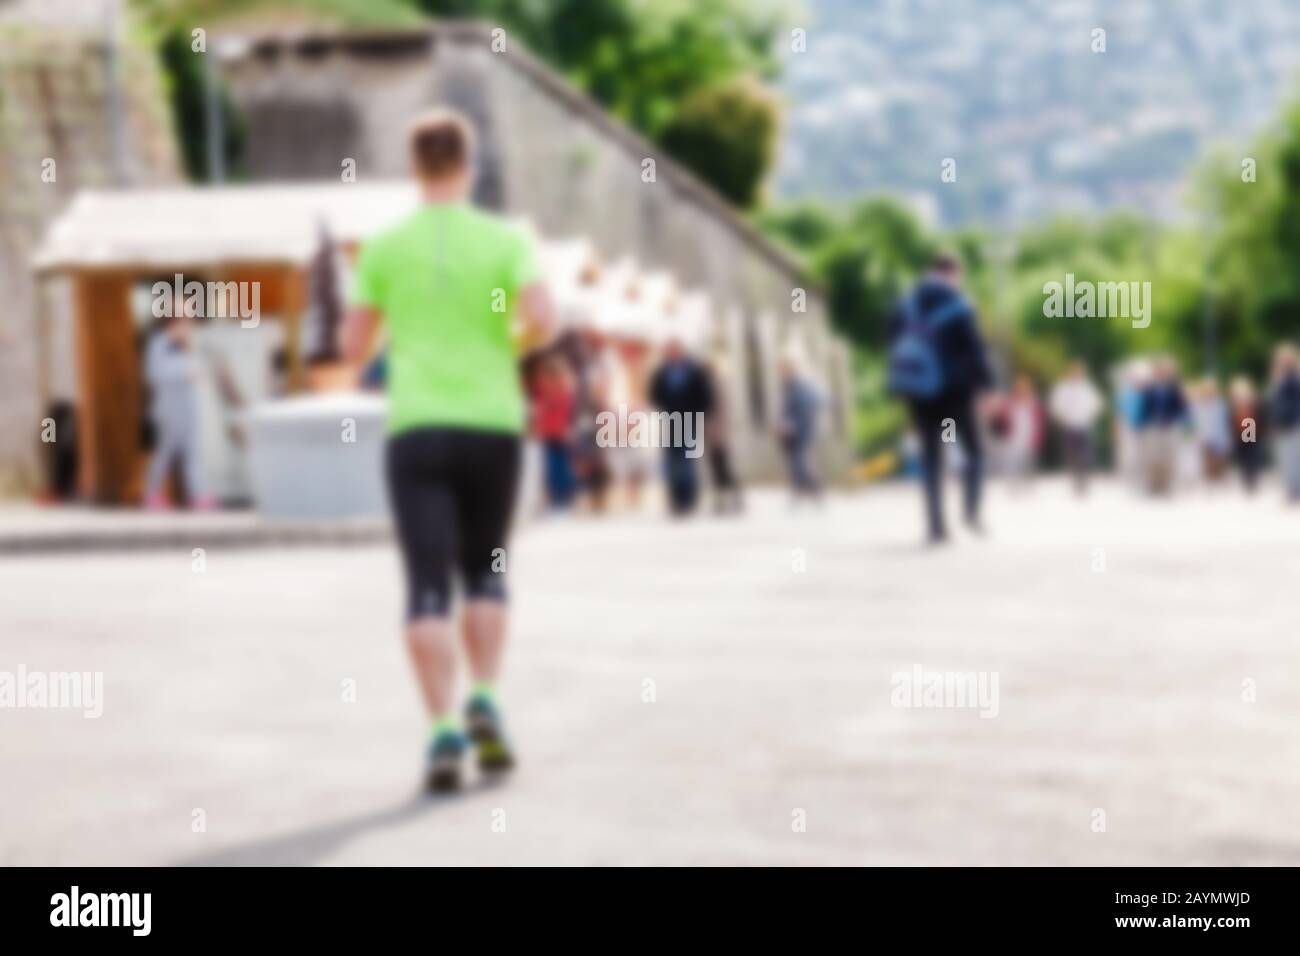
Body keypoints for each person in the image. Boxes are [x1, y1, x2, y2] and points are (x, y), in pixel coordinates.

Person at [342, 108, 554, 792]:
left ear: (415, 168)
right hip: (492, 427)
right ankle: (485, 696)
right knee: (488, 568)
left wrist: (400, 337)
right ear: (469, 166)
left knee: (427, 587)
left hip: (419, 431)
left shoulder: (382, 248)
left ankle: (442, 733)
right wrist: (506, 343)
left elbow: (350, 349)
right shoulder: (507, 239)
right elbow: (544, 317)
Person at [887, 252, 994, 543]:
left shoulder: (907, 303)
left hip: (919, 392)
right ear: (954, 273)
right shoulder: (958, 305)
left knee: (931, 456)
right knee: (974, 452)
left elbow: (890, 338)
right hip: (955, 394)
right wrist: (987, 387)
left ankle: (936, 526)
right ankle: (970, 512)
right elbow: (975, 350)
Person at [143, 312, 215, 511]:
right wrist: (184, 373)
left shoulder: (186, 347)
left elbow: (198, 370)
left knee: (194, 453)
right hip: (168, 409)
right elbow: (155, 375)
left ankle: (199, 495)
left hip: (188, 407)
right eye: (182, 323)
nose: (186, 328)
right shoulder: (159, 345)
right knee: (165, 453)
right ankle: (152, 493)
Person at [649, 337, 713, 516]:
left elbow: (704, 396)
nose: (673, 354)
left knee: (687, 462)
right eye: (670, 351)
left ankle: (688, 499)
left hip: (690, 421)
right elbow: (654, 394)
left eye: (675, 350)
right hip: (670, 421)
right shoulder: (662, 372)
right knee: (671, 462)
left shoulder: (694, 371)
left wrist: (698, 413)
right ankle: (675, 500)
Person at [530, 354, 578, 511]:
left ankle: (562, 497)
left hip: (556, 434)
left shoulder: (563, 393)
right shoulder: (548, 391)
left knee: (558, 467)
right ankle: (558, 497)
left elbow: (566, 414)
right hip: (548, 434)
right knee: (552, 467)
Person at [1135, 356, 1189, 495]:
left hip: (1169, 425)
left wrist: (1184, 422)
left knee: (1169, 457)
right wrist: (1141, 424)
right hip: (1152, 425)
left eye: (1166, 370)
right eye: (1160, 370)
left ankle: (1167, 485)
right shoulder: (1150, 388)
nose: (1163, 372)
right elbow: (1144, 406)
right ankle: (1154, 484)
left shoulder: (1175, 387)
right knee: (1153, 456)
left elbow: (1182, 406)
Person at [1048, 361, 1103, 495]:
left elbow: (1097, 404)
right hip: (1069, 425)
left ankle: (1083, 480)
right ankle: (1074, 478)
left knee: (1085, 455)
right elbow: (1055, 405)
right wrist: (1062, 418)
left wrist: (1090, 416)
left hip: (1084, 425)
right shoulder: (1063, 388)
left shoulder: (1087, 388)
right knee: (1072, 455)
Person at [777, 356, 822, 504]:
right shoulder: (790, 386)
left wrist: (790, 425)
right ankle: (804, 490)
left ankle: (810, 489)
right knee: (797, 461)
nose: (781, 373)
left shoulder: (798, 386)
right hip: (796, 430)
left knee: (799, 461)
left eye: (783, 369)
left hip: (801, 430)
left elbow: (802, 409)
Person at [705, 356, 743, 514]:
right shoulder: (711, 385)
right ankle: (724, 498)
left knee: (722, 467)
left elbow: (721, 411)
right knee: (717, 467)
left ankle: (731, 497)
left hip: (717, 433)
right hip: (713, 432)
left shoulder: (716, 385)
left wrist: (718, 433)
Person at [1001, 374, 1043, 488]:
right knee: (1013, 461)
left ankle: (1028, 484)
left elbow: (1039, 421)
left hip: (1029, 436)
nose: (1022, 391)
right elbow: (1004, 418)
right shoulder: (1010, 403)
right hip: (1014, 437)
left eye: (1024, 388)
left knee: (1029, 462)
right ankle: (1013, 484)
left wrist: (1038, 436)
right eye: (1019, 388)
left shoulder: (1033, 403)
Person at [1270, 343, 1300, 502]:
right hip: (1282, 423)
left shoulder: (1295, 377)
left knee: (1294, 458)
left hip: (1294, 422)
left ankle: (1295, 491)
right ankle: (1291, 490)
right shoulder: (1279, 378)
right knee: (1286, 459)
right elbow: (1275, 402)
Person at [1188, 377, 1231, 483]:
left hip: (1219, 437)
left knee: (1219, 464)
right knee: (1207, 464)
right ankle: (1210, 484)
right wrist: (1198, 437)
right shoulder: (1198, 406)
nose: (1208, 392)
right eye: (1206, 390)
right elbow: (1196, 423)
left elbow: (1225, 423)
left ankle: (1219, 483)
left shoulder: (1221, 405)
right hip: (1204, 438)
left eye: (1211, 390)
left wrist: (1227, 439)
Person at [1229, 376, 1265, 493]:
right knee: (1243, 457)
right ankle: (1247, 479)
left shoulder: (1255, 402)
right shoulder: (1234, 404)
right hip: (1240, 432)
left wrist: (1261, 430)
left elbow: (1261, 416)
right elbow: (1231, 419)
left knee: (1252, 455)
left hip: (1252, 431)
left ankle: (1253, 479)